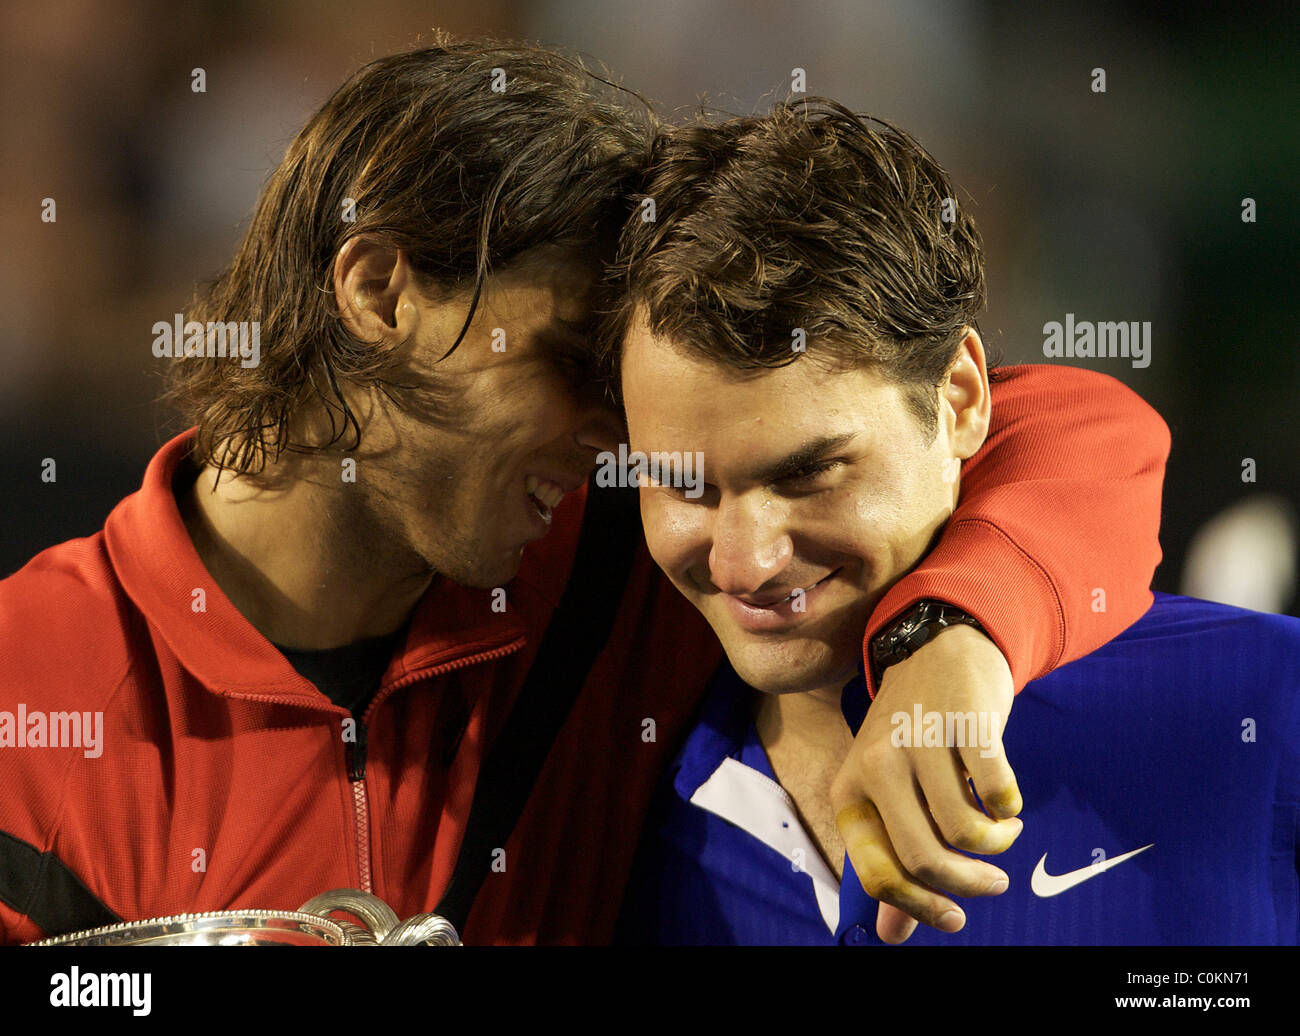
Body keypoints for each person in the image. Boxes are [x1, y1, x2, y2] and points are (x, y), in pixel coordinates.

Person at [0, 44, 1164, 946]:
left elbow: (1081, 428)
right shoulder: (24, 692)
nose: (624, 441)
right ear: (377, 286)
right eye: (570, 364)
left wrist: (946, 642)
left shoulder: (642, 560)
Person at [606, 98, 1300, 945]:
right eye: (682, 486)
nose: (748, 562)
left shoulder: (1256, 703)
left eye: (811, 473)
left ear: (962, 397)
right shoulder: (607, 801)